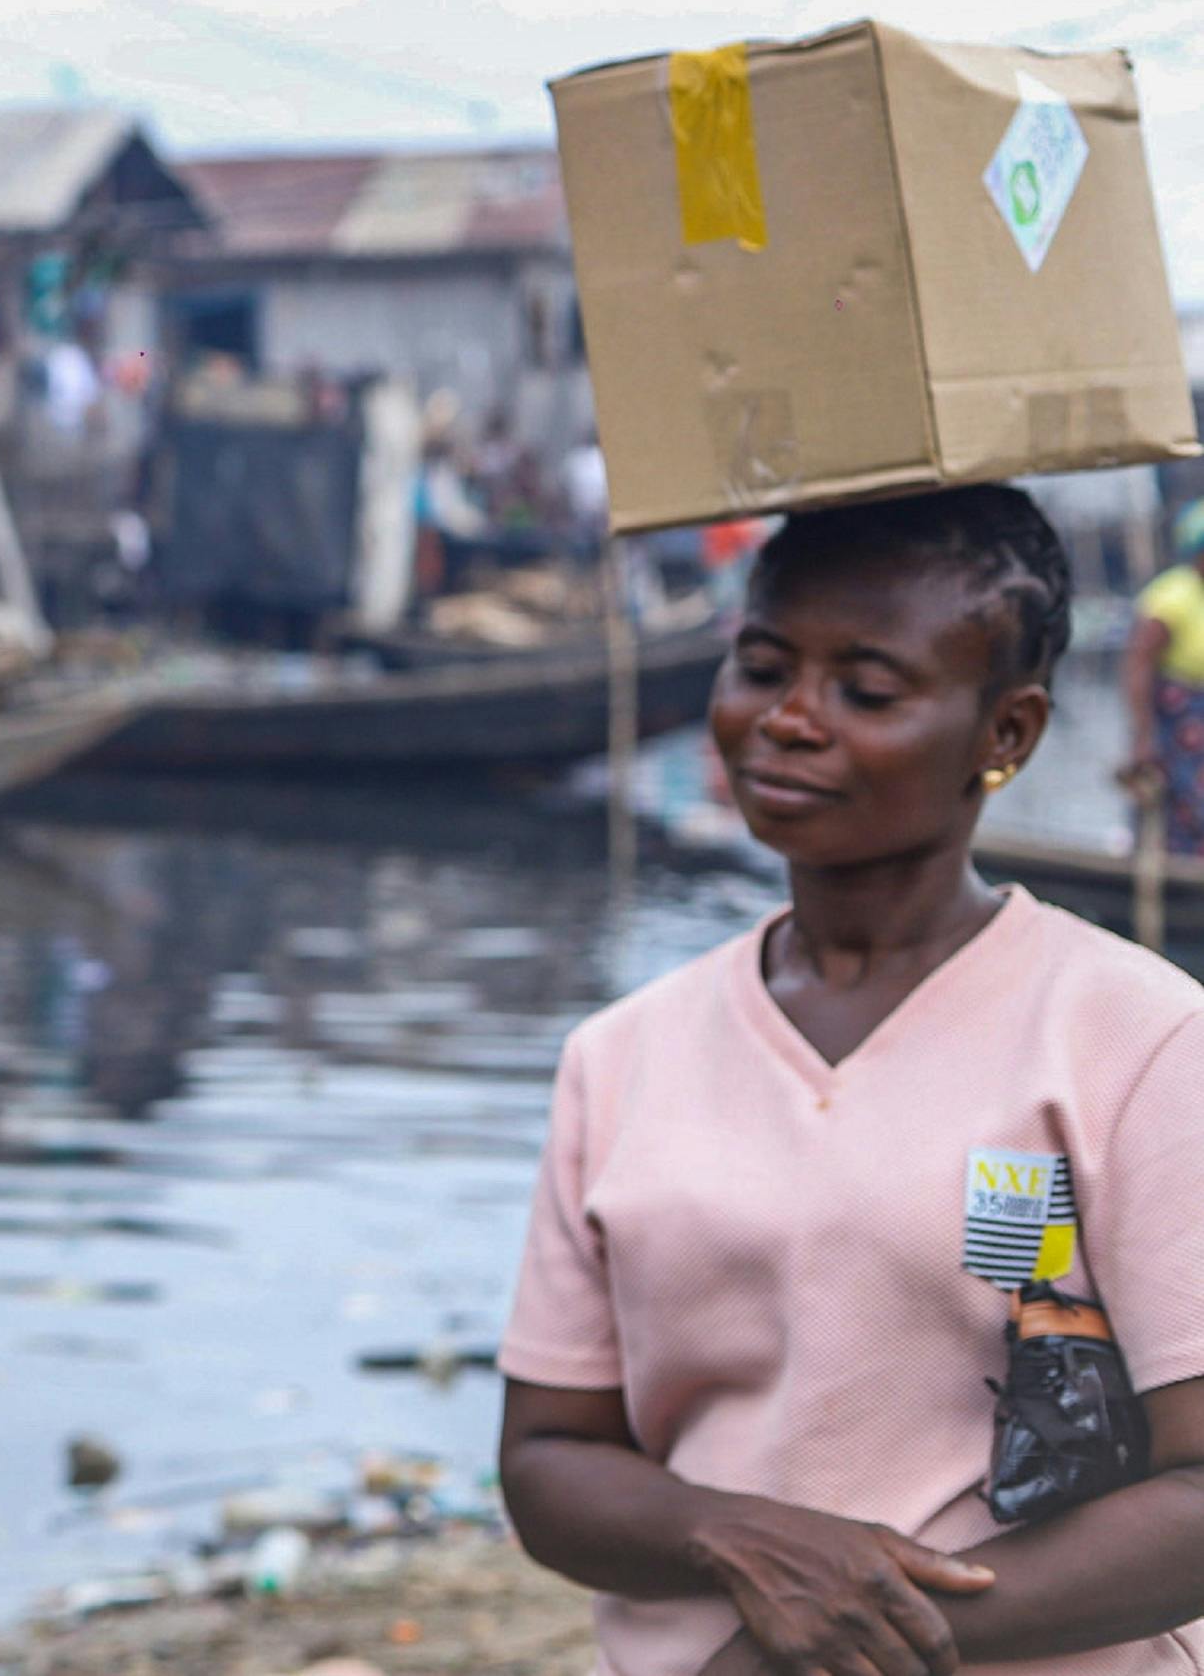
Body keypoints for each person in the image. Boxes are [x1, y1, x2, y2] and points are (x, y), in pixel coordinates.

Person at [499, 485, 1204, 1676]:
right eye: (761, 666)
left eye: (865, 691)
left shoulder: (1134, 1039)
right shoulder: (620, 1056)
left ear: (1006, 733)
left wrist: (829, 1646)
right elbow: (547, 1460)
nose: (787, 719)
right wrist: (730, 1534)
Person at [1121, 502, 1204, 856]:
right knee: (1183, 801)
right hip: (1181, 720)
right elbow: (1138, 665)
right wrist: (1143, 735)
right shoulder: (1173, 595)